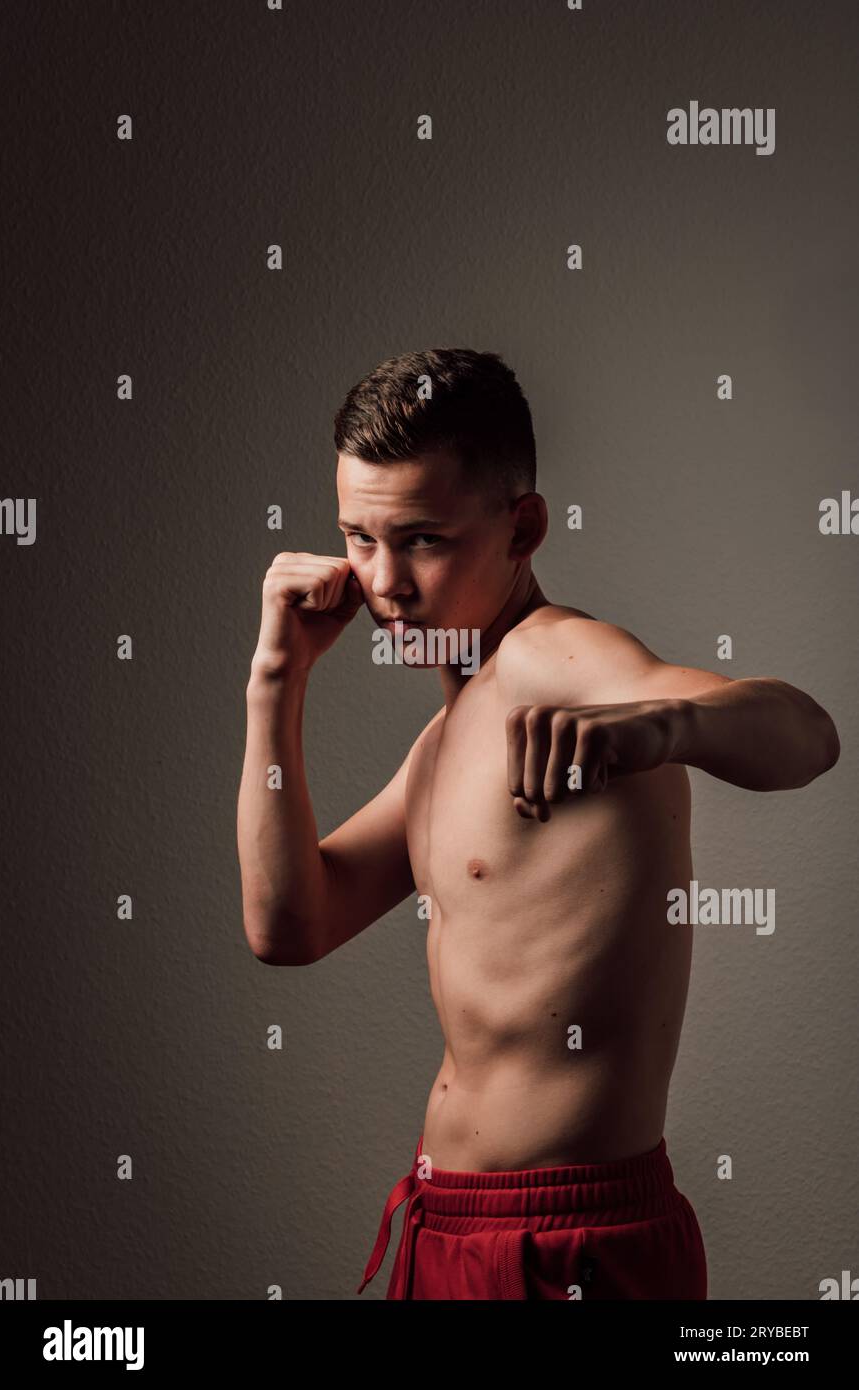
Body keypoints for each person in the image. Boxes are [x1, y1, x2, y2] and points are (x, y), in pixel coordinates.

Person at [236, 348, 840, 1300]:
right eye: (359, 538)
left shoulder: (564, 660)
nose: (385, 583)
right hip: (445, 1228)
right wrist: (277, 681)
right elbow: (288, 927)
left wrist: (658, 725)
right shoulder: (444, 742)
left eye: (423, 540)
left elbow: (808, 734)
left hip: (574, 1243)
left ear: (523, 528)